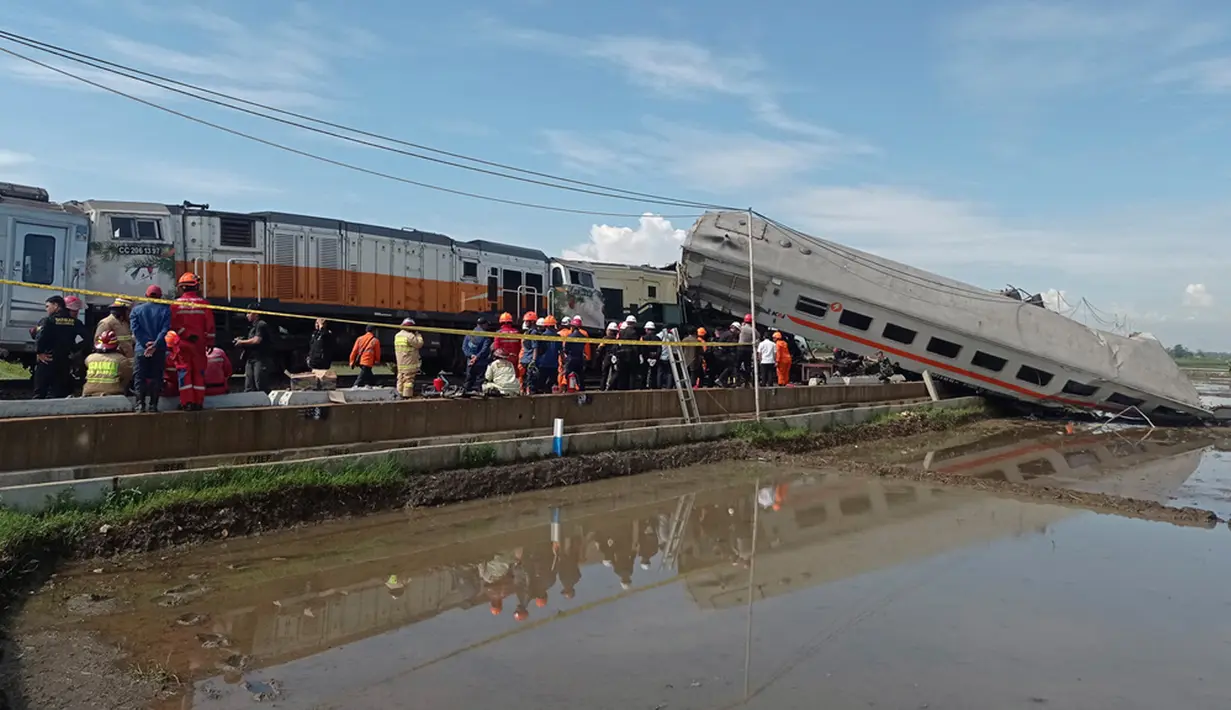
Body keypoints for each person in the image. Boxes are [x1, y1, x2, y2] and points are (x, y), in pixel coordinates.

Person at [170, 272, 215, 411]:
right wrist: (210, 342)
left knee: (184, 373)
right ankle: (198, 402)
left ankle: (187, 402)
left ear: (182, 288)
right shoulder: (204, 304)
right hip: (199, 345)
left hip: (182, 344)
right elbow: (210, 326)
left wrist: (186, 334)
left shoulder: (175, 305)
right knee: (198, 373)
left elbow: (173, 325)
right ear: (196, 287)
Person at [130, 285, 171, 412]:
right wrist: (155, 344)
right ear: (160, 296)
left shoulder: (136, 310)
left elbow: (135, 330)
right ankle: (153, 405)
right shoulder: (165, 310)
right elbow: (165, 330)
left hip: (141, 349)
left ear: (146, 295)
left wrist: (145, 343)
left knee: (139, 377)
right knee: (156, 377)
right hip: (158, 350)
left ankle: (140, 405)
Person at [32, 296, 78, 399]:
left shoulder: (47, 321)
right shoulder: (74, 322)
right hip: (64, 361)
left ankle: (38, 413)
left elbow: (40, 337)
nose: (46, 309)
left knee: (40, 392)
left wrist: (39, 352)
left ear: (56, 306)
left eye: (48, 306)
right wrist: (76, 349)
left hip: (47, 359)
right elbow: (87, 338)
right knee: (58, 393)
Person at [82, 330, 133, 397]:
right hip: (113, 394)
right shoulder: (122, 360)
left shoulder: (89, 358)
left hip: (88, 393)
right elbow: (127, 378)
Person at [234, 311, 274, 393]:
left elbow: (257, 340)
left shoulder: (261, 324)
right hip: (250, 358)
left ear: (256, 314)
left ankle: (266, 401)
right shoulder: (252, 326)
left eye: (249, 313)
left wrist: (242, 342)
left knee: (260, 383)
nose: (247, 315)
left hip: (260, 358)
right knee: (249, 385)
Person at [393, 318, 423, 398]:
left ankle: (399, 394)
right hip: (409, 363)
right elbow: (419, 344)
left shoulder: (397, 335)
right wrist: (418, 335)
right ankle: (407, 396)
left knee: (400, 378)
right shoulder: (410, 336)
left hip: (400, 363)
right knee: (408, 380)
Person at [462, 316, 493, 394]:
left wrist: (471, 356)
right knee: (480, 382)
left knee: (468, 380)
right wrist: (477, 357)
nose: (487, 326)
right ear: (483, 325)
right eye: (486, 324)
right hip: (481, 362)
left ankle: (465, 394)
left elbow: (464, 347)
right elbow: (485, 349)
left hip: (470, 362)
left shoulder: (469, 334)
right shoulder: (486, 336)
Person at [534, 315, 560, 393]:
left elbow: (538, 350)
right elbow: (561, 351)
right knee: (552, 384)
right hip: (554, 364)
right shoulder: (558, 336)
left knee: (540, 385)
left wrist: (534, 360)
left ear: (545, 325)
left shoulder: (542, 336)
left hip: (542, 363)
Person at [562, 317, 587, 391]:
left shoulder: (570, 336)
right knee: (580, 376)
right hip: (580, 358)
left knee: (569, 375)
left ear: (572, 327)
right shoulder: (583, 336)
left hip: (571, 358)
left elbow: (566, 348)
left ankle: (570, 389)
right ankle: (582, 391)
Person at [518, 315, 539, 392]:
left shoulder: (533, 333)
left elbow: (535, 347)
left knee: (529, 381)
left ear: (532, 321)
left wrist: (533, 360)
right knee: (524, 380)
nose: (525, 322)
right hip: (525, 359)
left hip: (529, 360)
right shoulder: (527, 332)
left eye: (527, 321)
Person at [597, 322, 619, 390]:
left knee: (604, 374)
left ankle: (602, 388)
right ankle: (611, 387)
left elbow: (600, 349)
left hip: (606, 358)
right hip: (614, 358)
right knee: (613, 373)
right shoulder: (617, 339)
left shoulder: (605, 338)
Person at [641, 322, 661, 389]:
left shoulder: (643, 338)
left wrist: (646, 358)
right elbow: (659, 349)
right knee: (654, 374)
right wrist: (656, 358)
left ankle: (643, 387)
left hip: (646, 358)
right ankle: (653, 386)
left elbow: (642, 349)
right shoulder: (657, 338)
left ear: (646, 329)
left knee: (644, 373)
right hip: (655, 358)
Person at [738, 314, 756, 387]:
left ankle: (738, 380)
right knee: (747, 366)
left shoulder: (741, 328)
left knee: (736, 365)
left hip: (740, 348)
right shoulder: (753, 329)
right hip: (748, 349)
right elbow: (758, 336)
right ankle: (747, 382)